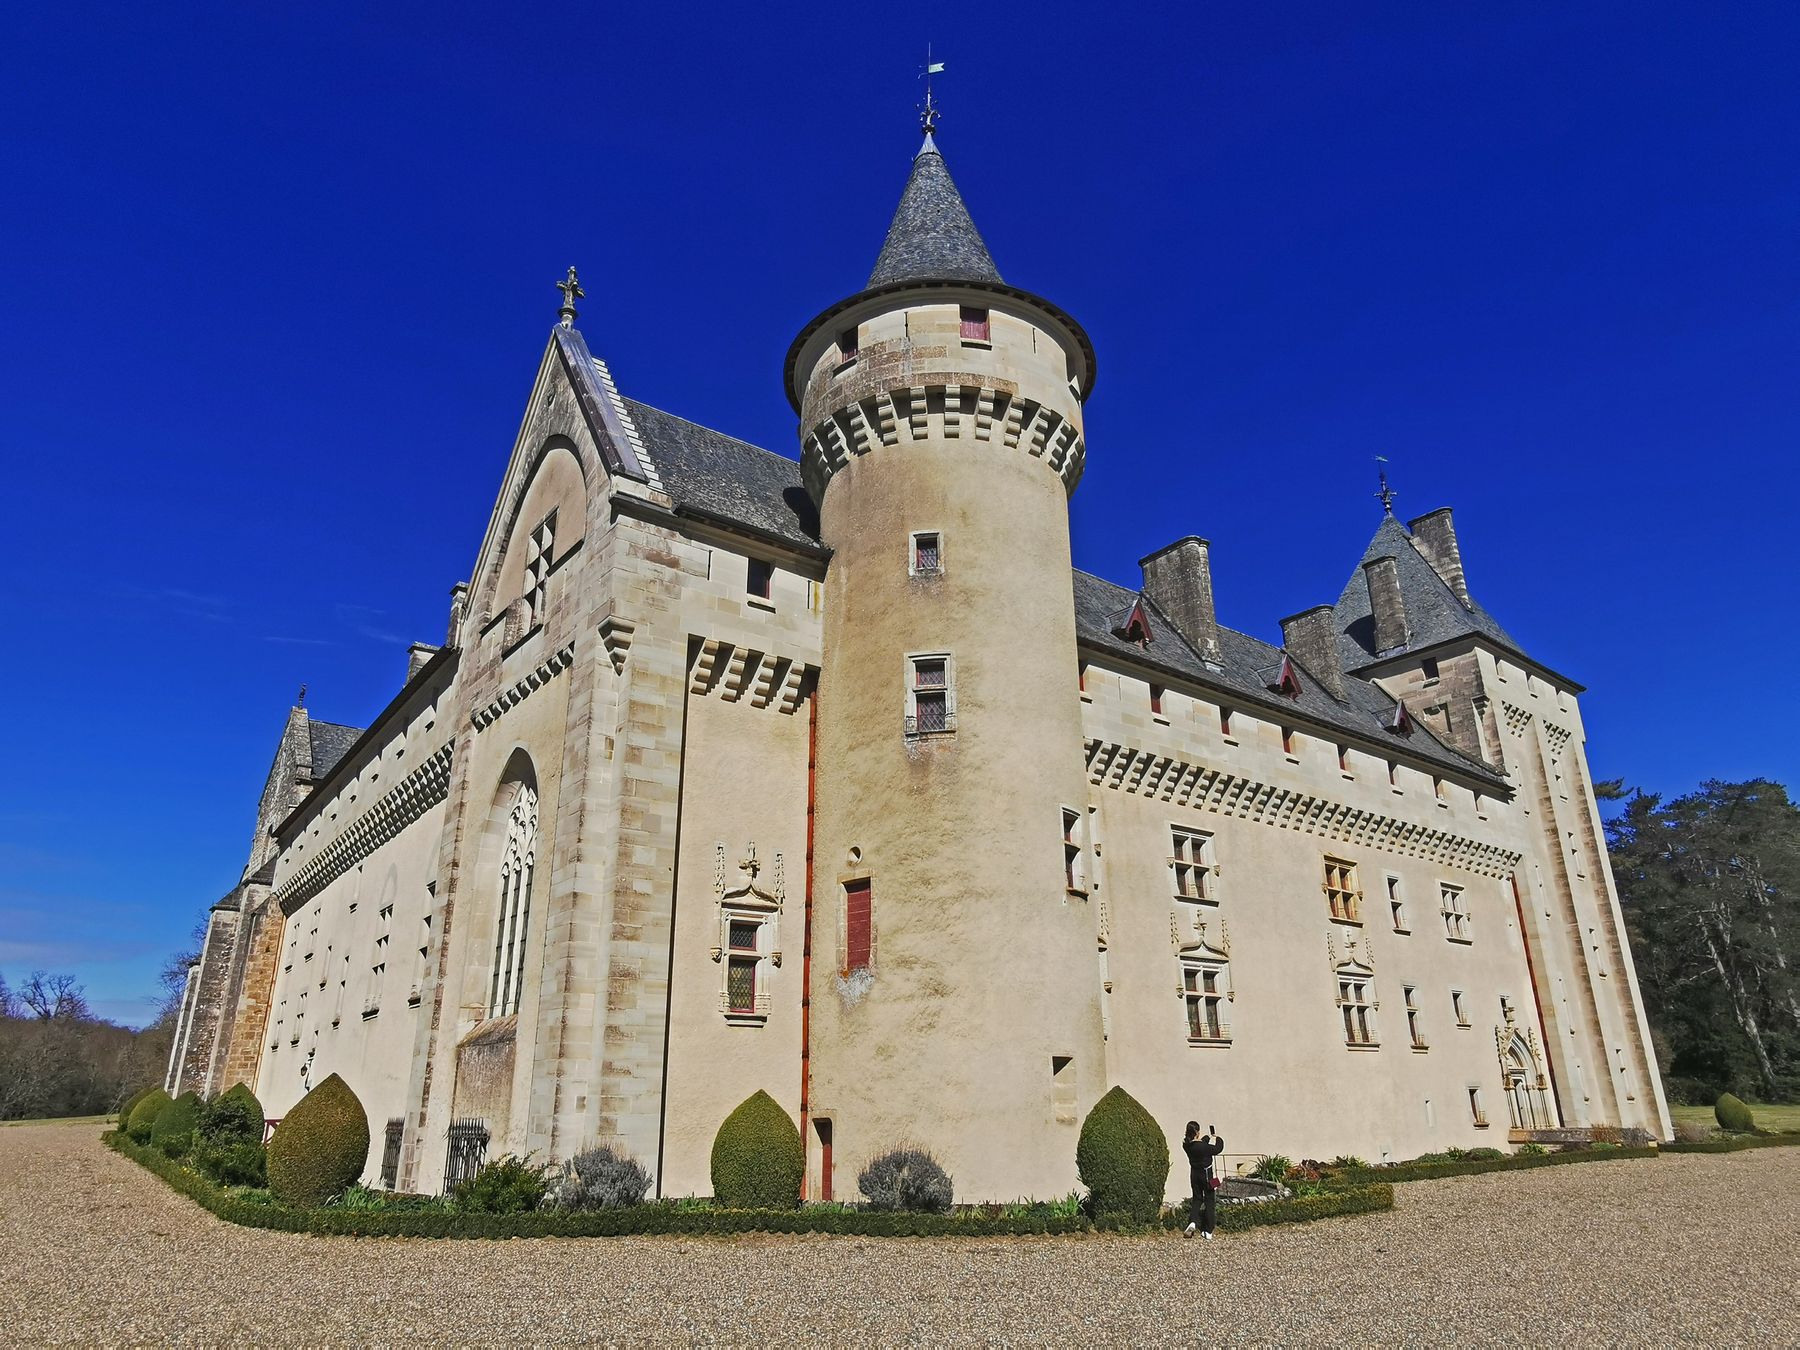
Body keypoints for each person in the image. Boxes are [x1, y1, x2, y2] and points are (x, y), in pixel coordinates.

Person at [1182, 1120, 1223, 1239]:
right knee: (1209, 1200)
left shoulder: (1186, 1144)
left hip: (1195, 1174)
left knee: (1197, 1198)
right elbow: (1217, 1149)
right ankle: (1208, 1231)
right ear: (1197, 1132)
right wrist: (1218, 1138)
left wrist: (1207, 1137)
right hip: (1206, 1175)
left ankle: (1193, 1222)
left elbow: (1200, 1143)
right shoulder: (1203, 1147)